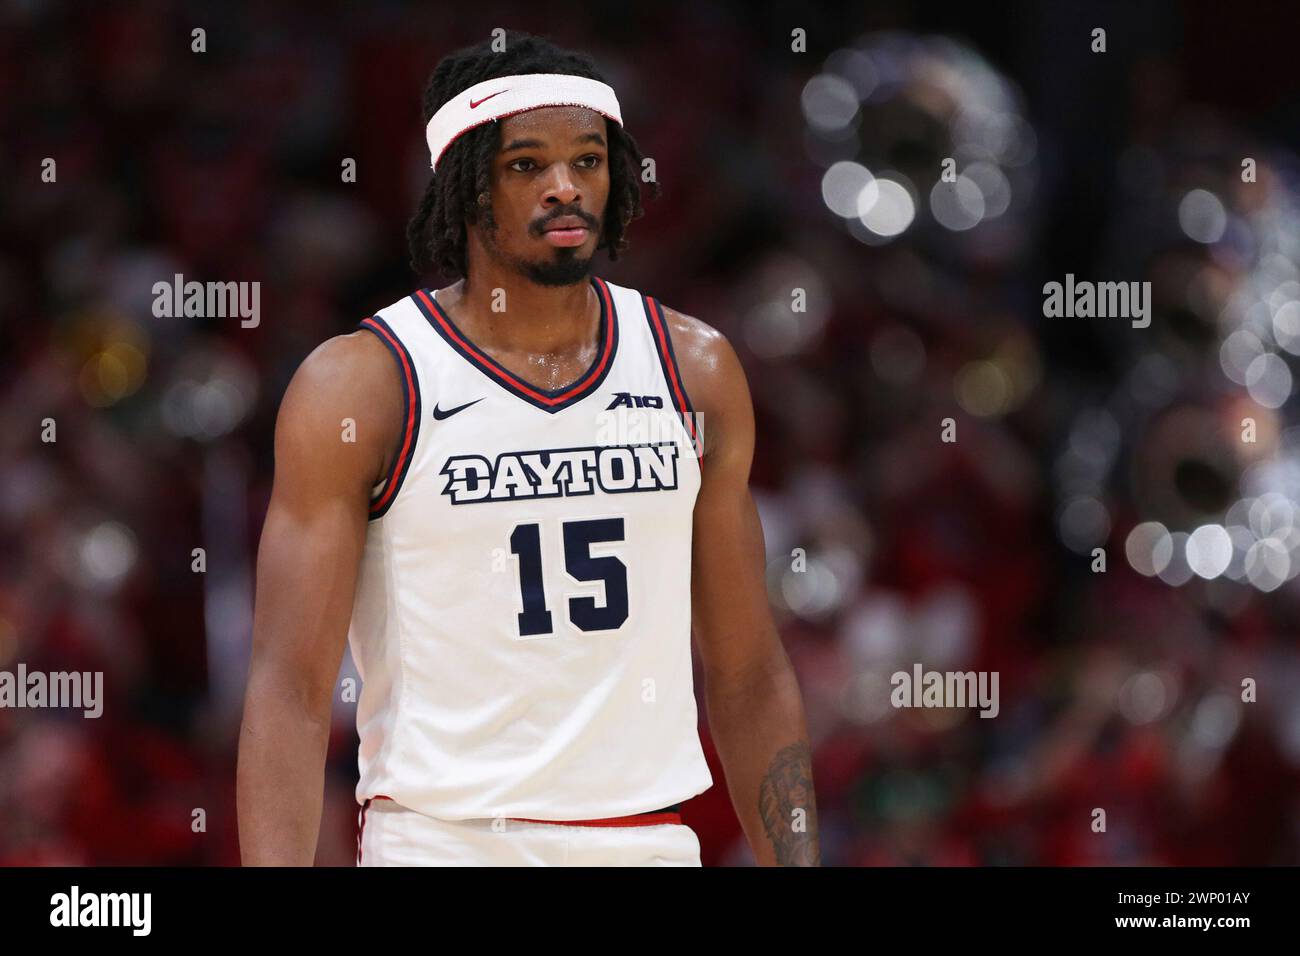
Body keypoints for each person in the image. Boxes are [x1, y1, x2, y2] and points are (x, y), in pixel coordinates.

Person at [237, 31, 818, 866]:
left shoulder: (695, 370)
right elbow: (289, 689)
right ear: (466, 186)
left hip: (646, 841)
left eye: (588, 160)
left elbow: (749, 673)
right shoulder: (365, 385)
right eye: (526, 166)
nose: (564, 188)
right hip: (444, 845)